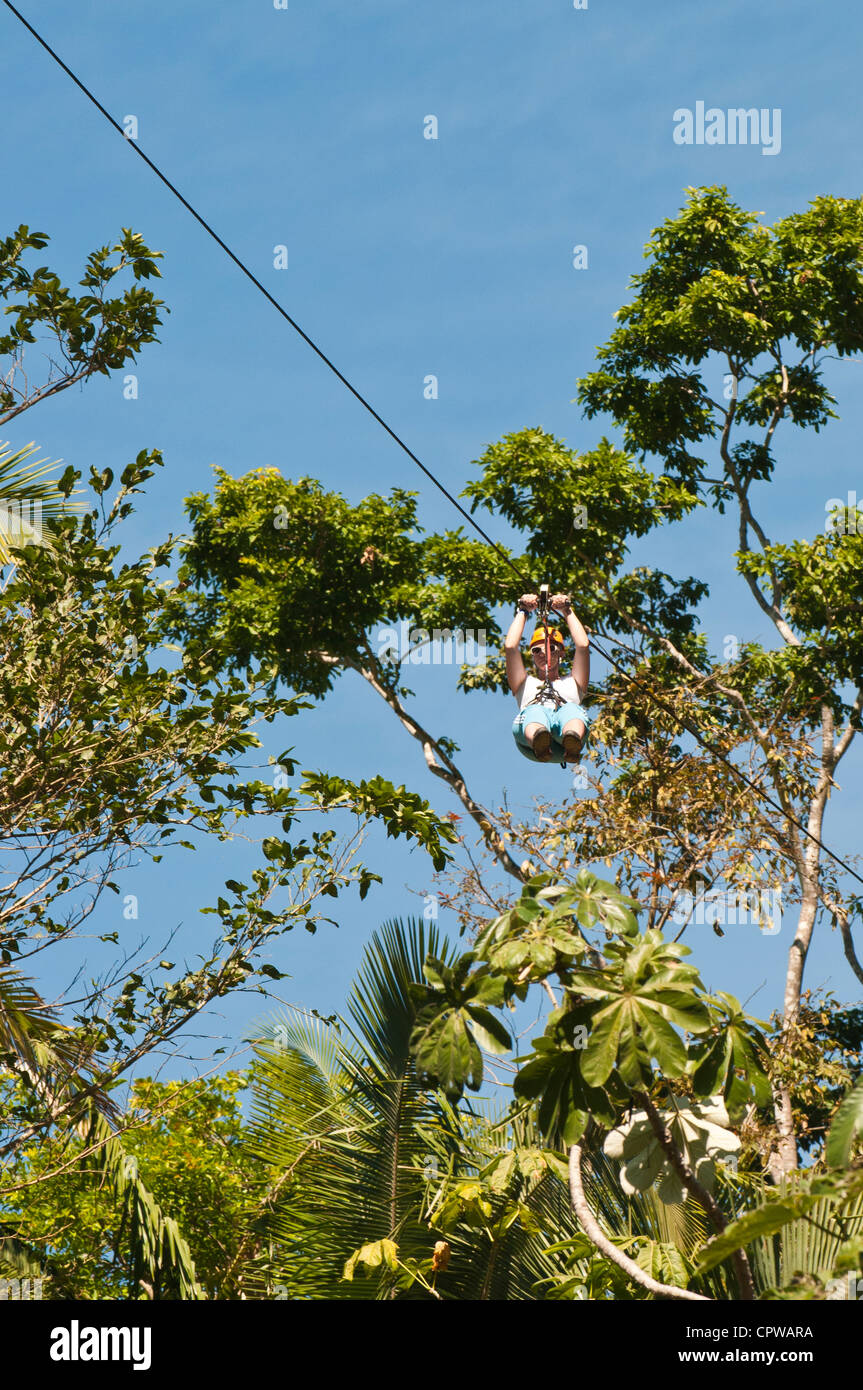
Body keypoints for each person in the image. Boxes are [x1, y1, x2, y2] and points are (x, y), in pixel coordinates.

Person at [505, 593, 590, 763]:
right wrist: (523, 611)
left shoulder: (573, 683)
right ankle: (539, 739)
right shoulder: (525, 683)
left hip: (563, 740)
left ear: (561, 653)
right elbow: (510, 646)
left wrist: (567, 610)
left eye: (550, 647)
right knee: (535, 711)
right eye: (537, 650)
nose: (544, 653)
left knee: (571, 710)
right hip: (531, 741)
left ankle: (572, 741)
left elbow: (582, 645)